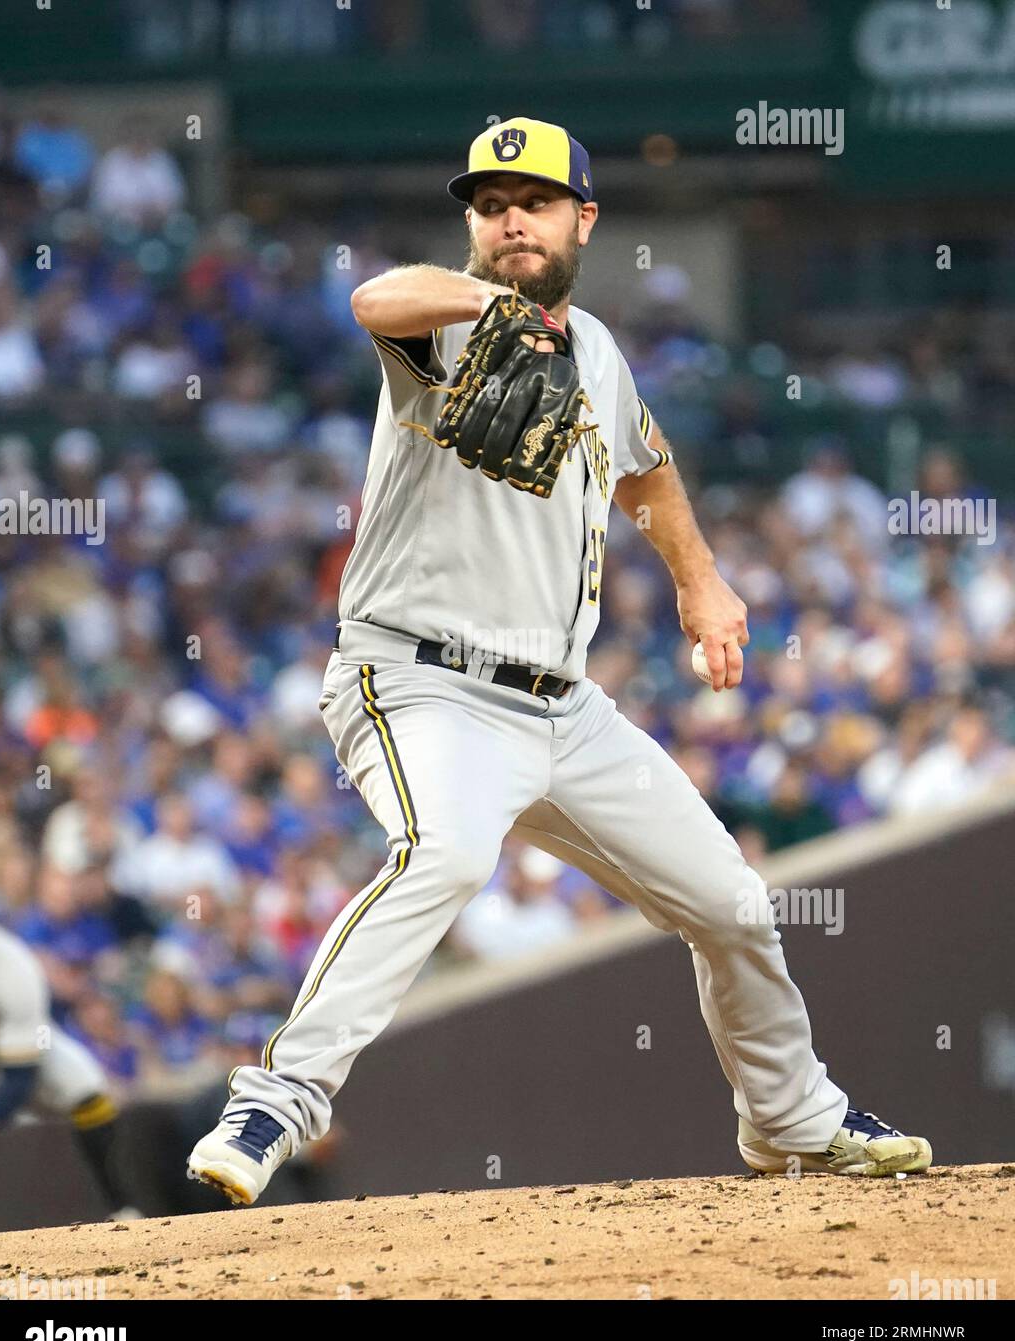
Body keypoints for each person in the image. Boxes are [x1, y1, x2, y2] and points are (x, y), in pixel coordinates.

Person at [188, 116, 931, 1205]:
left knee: (730, 904)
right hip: (419, 681)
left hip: (563, 711)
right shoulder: (448, 322)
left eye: (533, 201)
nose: (509, 220)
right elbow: (370, 302)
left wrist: (698, 579)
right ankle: (276, 1101)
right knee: (442, 856)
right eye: (489, 205)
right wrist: (484, 299)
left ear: (583, 218)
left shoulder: (596, 353)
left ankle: (792, 1121)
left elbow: (645, 469)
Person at [0, 915, 137, 1219]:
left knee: (88, 1091)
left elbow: (20, 1076)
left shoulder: (9, 963)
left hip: (16, 1059)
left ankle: (122, 1208)